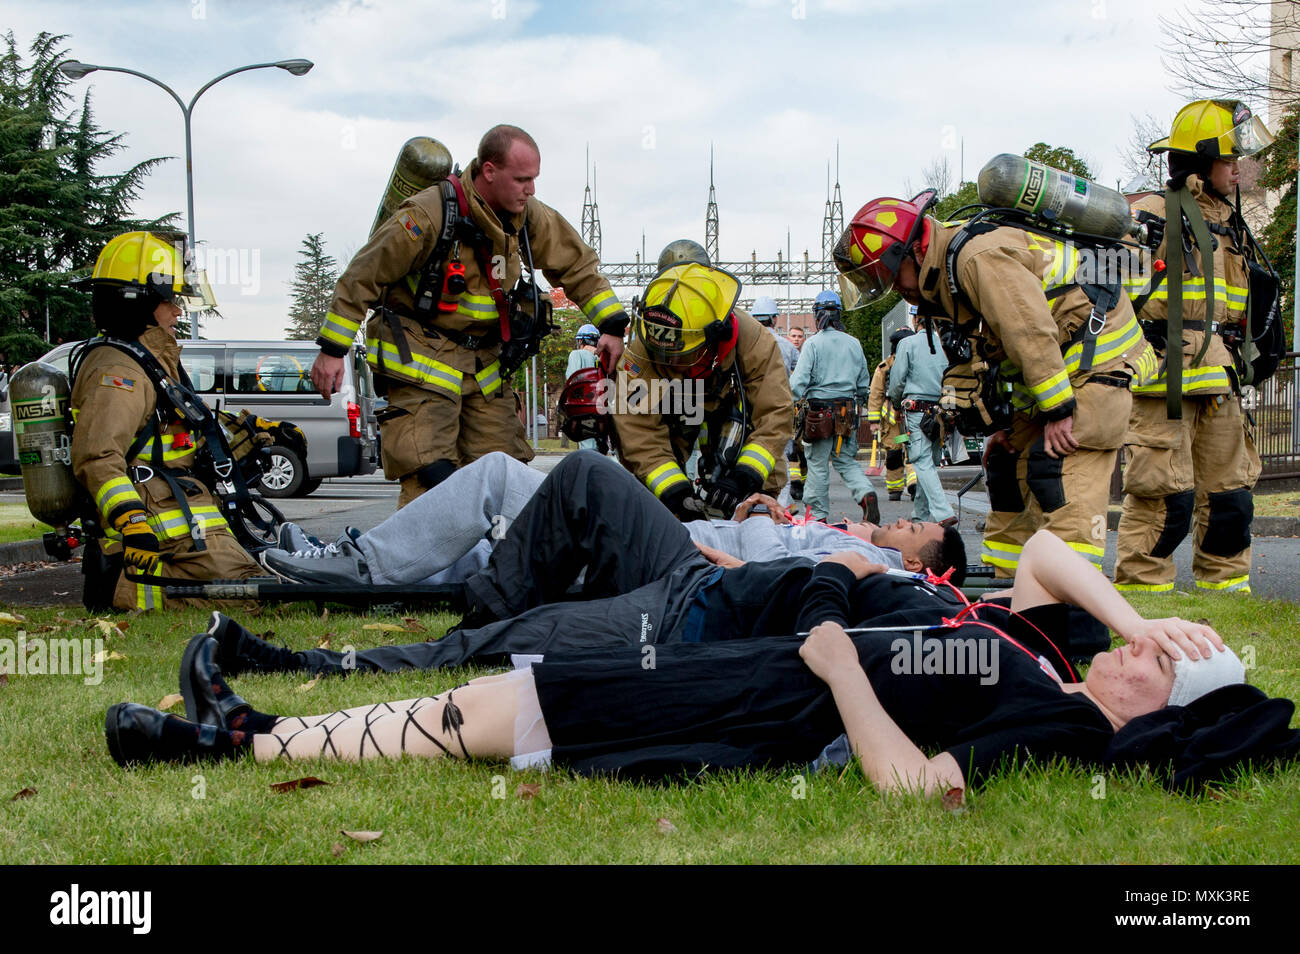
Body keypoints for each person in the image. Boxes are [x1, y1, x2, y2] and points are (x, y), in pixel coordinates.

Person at [106, 528, 1243, 799]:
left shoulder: (1062, 722)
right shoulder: (1062, 654)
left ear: (1151, 712)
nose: (1143, 651)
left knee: (511, 695)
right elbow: (1049, 548)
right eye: (1153, 644)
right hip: (742, 639)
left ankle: (243, 726)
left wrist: (844, 665)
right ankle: (245, 726)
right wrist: (1141, 611)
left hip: (746, 681)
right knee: (491, 687)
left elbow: (926, 790)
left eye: (1162, 662)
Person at [243, 450, 966, 675]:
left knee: (574, 480)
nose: (900, 523)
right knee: (506, 499)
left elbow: (765, 585)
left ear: (928, 565)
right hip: (679, 540)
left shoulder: (873, 570)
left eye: (914, 528)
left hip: (685, 567)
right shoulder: (834, 529)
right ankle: (345, 556)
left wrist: (728, 545)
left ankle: (376, 572)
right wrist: (757, 514)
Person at [836, 191, 1156, 577]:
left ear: (914, 253)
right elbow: (993, 355)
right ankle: (1007, 589)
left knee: (1056, 466)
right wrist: (1003, 428)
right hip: (1054, 369)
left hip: (1096, 365)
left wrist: (1058, 409)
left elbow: (1028, 330)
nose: (893, 289)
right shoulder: (945, 280)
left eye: (890, 277)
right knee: (1004, 467)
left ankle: (1069, 607)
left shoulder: (976, 259)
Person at [310, 125, 628, 509]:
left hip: (482, 366)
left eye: (534, 180)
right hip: (420, 360)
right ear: (489, 171)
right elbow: (363, 274)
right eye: (521, 179)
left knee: (504, 471)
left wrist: (611, 325)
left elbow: (577, 264)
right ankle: (424, 566)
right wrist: (332, 349)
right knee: (432, 474)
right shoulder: (427, 214)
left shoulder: (527, 217)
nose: (530, 190)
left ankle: (499, 564)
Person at [1116, 100, 1271, 594]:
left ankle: (1227, 589)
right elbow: (1106, 295)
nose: (1241, 171)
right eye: (1231, 161)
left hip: (1219, 379)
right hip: (1164, 384)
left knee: (1231, 496)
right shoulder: (1151, 218)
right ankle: (1144, 593)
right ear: (1202, 162)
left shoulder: (1230, 226)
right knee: (1162, 495)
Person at [69, 232, 268, 611]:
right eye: (169, 300)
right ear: (139, 303)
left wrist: (251, 433)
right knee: (253, 596)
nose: (178, 311)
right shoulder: (118, 371)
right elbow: (97, 455)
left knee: (264, 580)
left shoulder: (152, 360)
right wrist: (131, 522)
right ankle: (120, 590)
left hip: (185, 525)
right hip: (161, 530)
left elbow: (180, 428)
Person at [612, 246, 794, 520]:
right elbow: (639, 432)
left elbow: (774, 416)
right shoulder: (643, 348)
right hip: (676, 407)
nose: (672, 365)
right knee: (655, 493)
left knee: (754, 489)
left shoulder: (753, 340)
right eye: (665, 358)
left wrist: (747, 475)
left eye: (683, 357)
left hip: (732, 412)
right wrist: (675, 493)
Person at [789, 290, 880, 524]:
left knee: (818, 464)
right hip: (846, 413)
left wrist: (785, 405)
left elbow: (798, 384)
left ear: (818, 314)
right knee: (845, 460)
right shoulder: (854, 344)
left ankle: (817, 515)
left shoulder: (813, 344)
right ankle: (865, 493)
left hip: (819, 414)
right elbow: (862, 384)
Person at [890, 306, 956, 526]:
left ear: (915, 318)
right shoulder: (946, 344)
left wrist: (896, 405)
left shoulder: (907, 344)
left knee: (921, 461)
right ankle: (920, 517)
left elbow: (898, 380)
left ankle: (943, 512)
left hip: (917, 411)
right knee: (930, 463)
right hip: (941, 412)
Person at [749, 295, 801, 504]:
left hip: (751, 409)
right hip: (780, 409)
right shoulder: (787, 346)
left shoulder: (747, 345)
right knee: (781, 457)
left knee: (752, 455)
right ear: (775, 319)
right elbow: (799, 377)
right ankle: (782, 506)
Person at [868, 326, 917, 501]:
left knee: (913, 450)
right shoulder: (884, 367)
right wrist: (874, 421)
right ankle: (895, 489)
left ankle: (914, 484)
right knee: (895, 452)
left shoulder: (917, 362)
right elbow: (876, 394)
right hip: (893, 421)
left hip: (913, 415)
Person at [563, 324, 602, 451]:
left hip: (584, 407)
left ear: (581, 340)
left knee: (587, 446)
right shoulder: (603, 357)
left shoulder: (576, 354)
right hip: (603, 407)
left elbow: (571, 379)